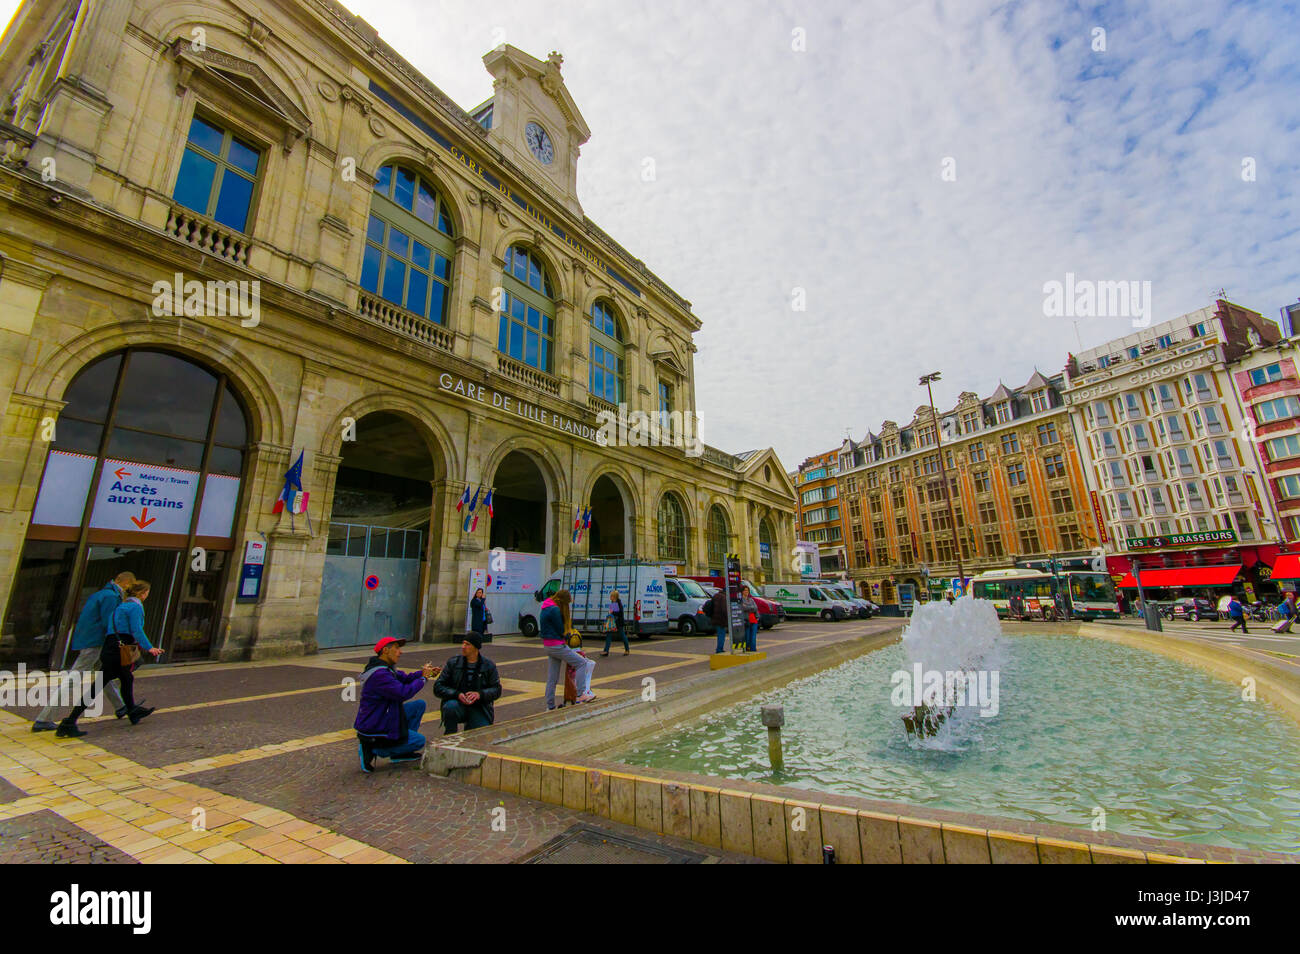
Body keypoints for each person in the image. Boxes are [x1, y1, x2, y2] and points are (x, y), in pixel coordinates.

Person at [56, 581, 162, 738]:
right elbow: (136, 630)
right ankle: (69, 722)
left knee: (125, 679)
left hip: (111, 646)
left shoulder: (120, 607)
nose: (147, 595)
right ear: (142, 593)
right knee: (111, 682)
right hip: (121, 647)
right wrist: (150, 647)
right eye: (147, 592)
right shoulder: (135, 607)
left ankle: (132, 711)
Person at [33, 571, 134, 731]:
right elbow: (111, 622)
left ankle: (121, 706)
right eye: (130, 586)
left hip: (90, 639)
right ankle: (44, 718)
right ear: (127, 583)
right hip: (96, 642)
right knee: (74, 678)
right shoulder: (111, 597)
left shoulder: (100, 594)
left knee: (105, 673)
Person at [354, 636, 439, 773]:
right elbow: (402, 693)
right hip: (374, 724)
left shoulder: (385, 668)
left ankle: (400, 751)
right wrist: (423, 678)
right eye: (397, 648)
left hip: (383, 714)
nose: (400, 652)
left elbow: (405, 678)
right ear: (386, 651)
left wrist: (424, 673)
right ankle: (372, 749)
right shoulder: (380, 674)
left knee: (419, 705)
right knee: (419, 741)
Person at [433, 633, 501, 733]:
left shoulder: (488, 665)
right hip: (458, 703)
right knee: (450, 707)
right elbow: (438, 687)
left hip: (479, 706)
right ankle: (450, 735)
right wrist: (457, 694)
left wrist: (479, 694)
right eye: (463, 643)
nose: (463, 647)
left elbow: (496, 689)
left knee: (478, 735)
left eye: (467, 644)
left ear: (476, 647)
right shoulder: (453, 663)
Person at [541, 589, 595, 709]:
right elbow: (560, 629)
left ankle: (550, 706)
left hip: (548, 645)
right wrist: (566, 636)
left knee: (552, 677)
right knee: (582, 663)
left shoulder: (545, 606)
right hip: (557, 644)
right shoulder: (555, 609)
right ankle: (581, 694)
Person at [602, 590, 629, 657]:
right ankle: (606, 651)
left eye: (611, 596)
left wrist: (612, 612)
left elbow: (618, 613)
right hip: (614, 621)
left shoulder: (618, 603)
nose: (610, 597)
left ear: (614, 596)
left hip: (618, 622)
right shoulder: (614, 602)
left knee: (622, 635)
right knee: (609, 634)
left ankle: (627, 649)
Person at [703, 587, 729, 653]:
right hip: (721, 619)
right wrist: (728, 617)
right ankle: (719, 649)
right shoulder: (724, 597)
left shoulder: (716, 595)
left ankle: (719, 648)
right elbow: (724, 609)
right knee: (722, 634)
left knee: (720, 634)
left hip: (715, 618)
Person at [740, 585, 759, 653]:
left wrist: (749, 607)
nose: (746, 592)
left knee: (753, 636)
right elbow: (743, 608)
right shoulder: (741, 600)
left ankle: (753, 648)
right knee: (747, 636)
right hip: (746, 620)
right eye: (745, 590)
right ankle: (747, 647)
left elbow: (756, 608)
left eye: (747, 590)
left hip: (754, 619)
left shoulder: (751, 599)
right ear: (742, 592)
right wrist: (751, 608)